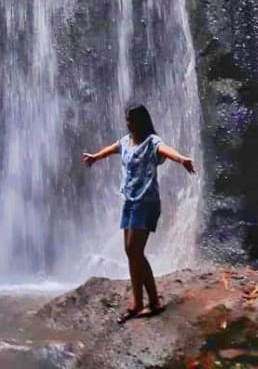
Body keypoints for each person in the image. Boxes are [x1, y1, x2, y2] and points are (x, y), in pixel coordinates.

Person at [82, 103, 195, 323]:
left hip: (147, 202)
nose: (128, 123)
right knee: (130, 251)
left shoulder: (151, 142)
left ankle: (153, 302)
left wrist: (181, 160)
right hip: (130, 202)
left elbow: (165, 150)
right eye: (127, 119)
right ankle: (137, 303)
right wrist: (95, 157)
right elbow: (113, 149)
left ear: (141, 121)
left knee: (135, 250)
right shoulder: (126, 141)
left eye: (131, 120)